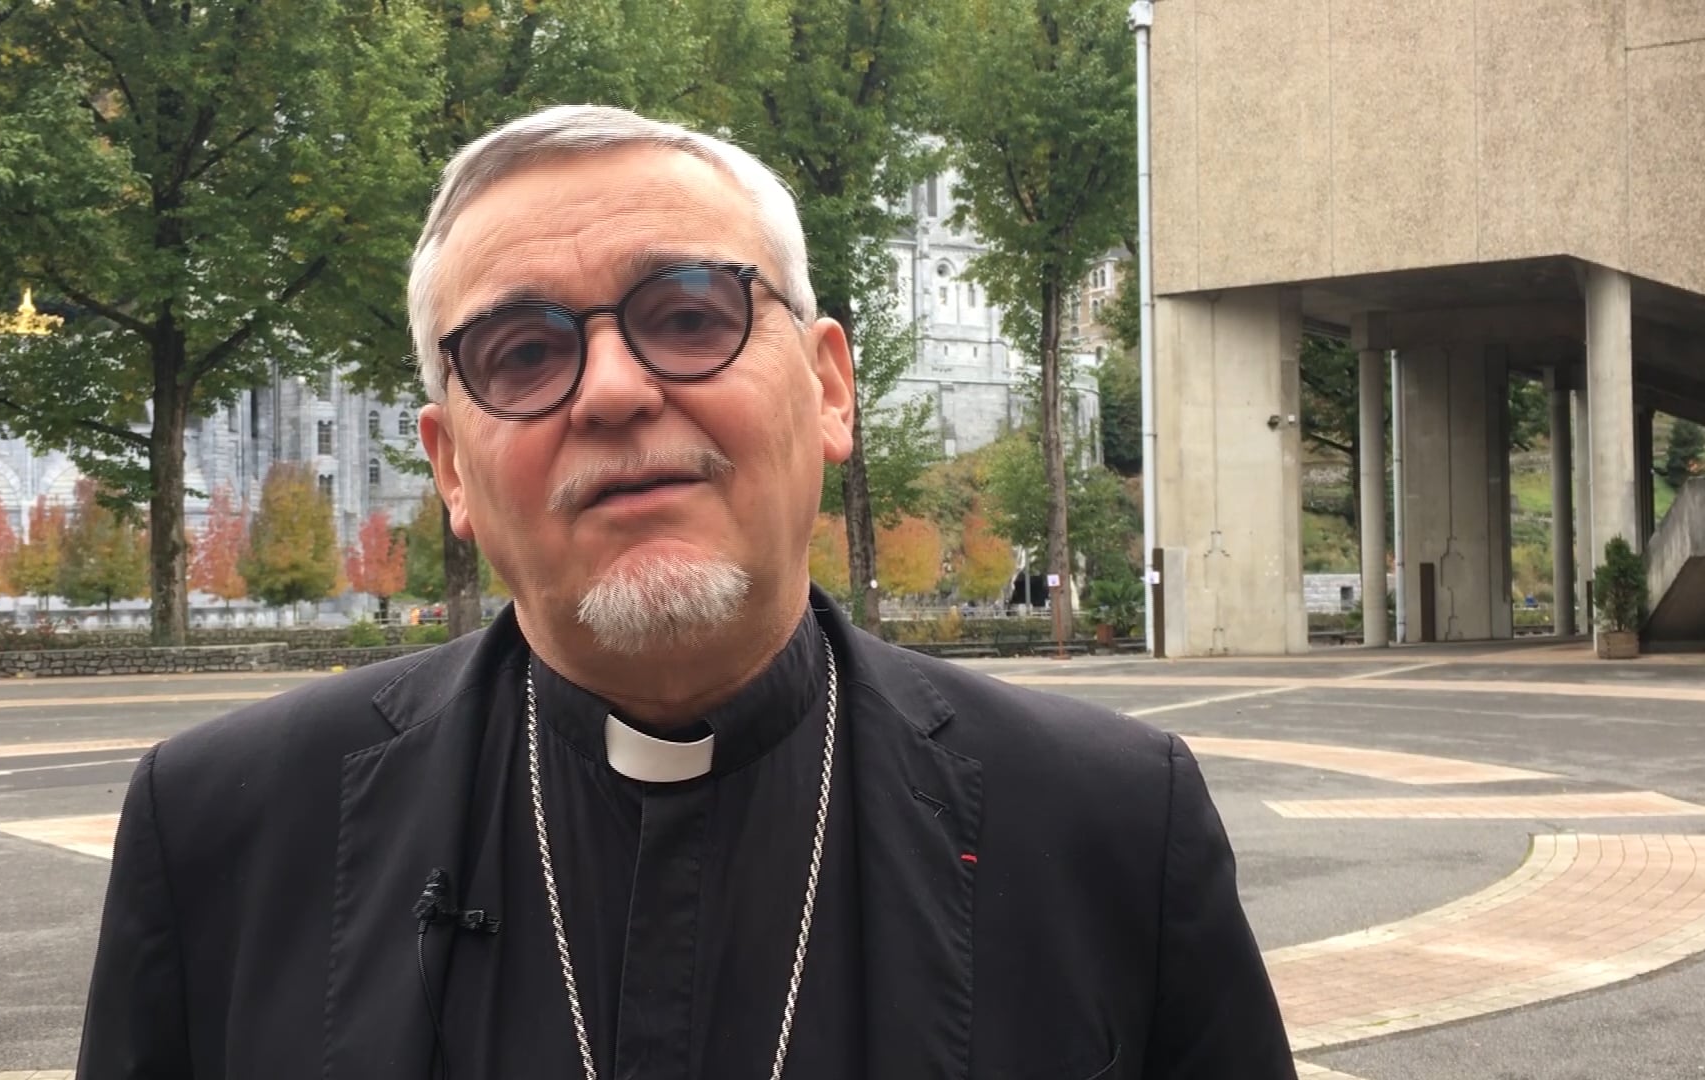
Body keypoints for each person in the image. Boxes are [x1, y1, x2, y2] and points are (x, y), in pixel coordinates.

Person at [76, 105, 1295, 1080]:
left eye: (688, 315)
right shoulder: (224, 833)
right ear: (451, 465)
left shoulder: (1112, 828)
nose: (609, 390)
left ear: (828, 389)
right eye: (525, 353)